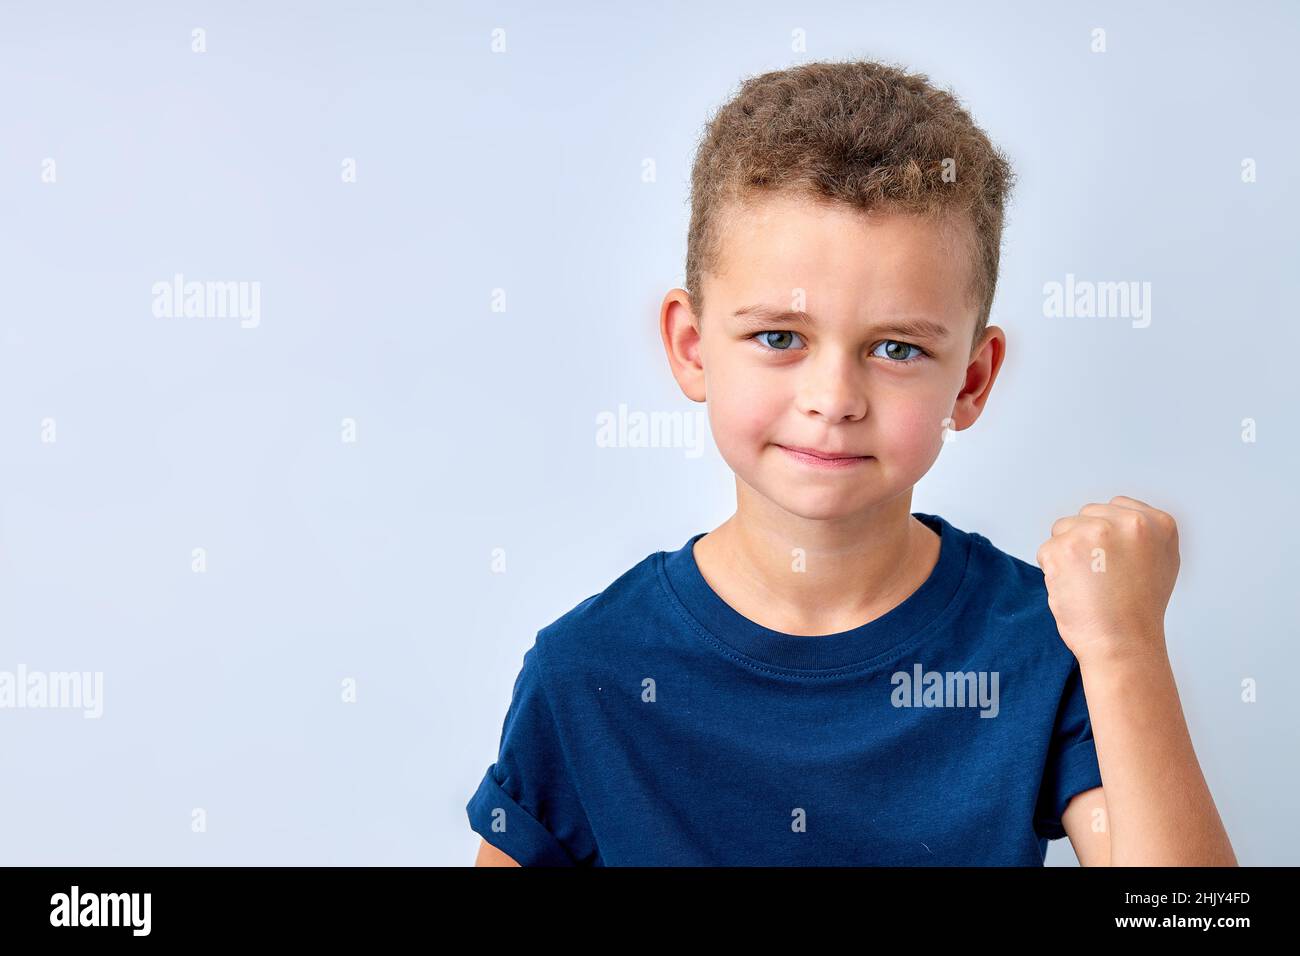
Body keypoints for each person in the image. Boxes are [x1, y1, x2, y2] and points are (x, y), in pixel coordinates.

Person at [467, 59, 1236, 866]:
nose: (833, 397)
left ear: (971, 381)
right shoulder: (589, 669)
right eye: (780, 338)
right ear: (692, 349)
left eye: (896, 348)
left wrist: (1127, 648)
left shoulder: (1049, 644)